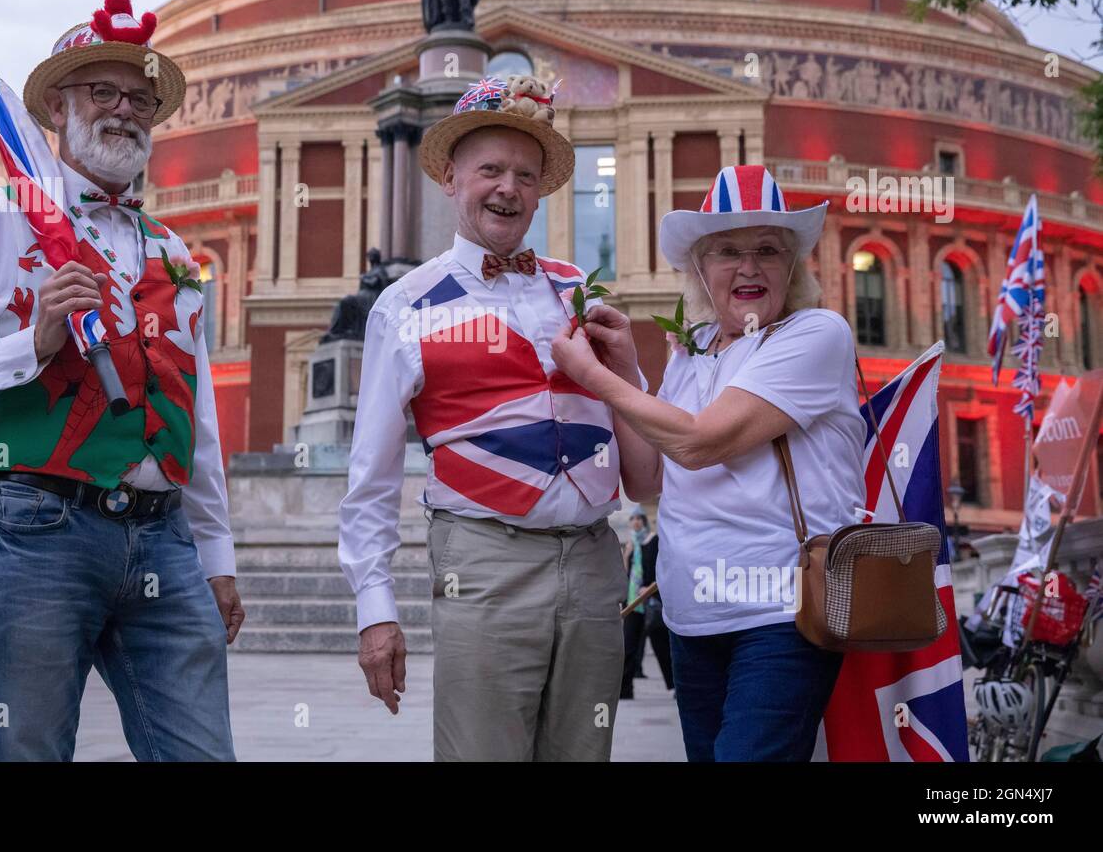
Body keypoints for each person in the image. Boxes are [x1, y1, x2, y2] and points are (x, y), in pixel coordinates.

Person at [0, 0, 242, 761]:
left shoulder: (177, 254)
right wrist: (32, 344)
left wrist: (216, 557)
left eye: (141, 98)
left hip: (164, 540)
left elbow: (200, 418)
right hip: (38, 531)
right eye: (103, 91)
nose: (124, 110)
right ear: (57, 105)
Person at [339, 74, 651, 761]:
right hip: (483, 562)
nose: (508, 188)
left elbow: (644, 470)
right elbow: (371, 475)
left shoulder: (578, 290)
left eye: (526, 174)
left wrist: (627, 370)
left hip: (596, 564)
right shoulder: (407, 304)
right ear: (452, 178)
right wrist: (375, 609)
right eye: (490, 170)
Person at [552, 165, 863, 761]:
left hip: (783, 613)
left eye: (767, 249)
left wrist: (586, 373)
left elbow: (699, 442)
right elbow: (648, 479)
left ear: (792, 265)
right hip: (693, 619)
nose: (748, 266)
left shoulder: (816, 333)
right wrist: (620, 369)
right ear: (700, 267)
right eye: (726, 251)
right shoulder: (692, 354)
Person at [620, 506, 673, 700]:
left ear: (644, 521)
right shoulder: (631, 543)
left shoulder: (653, 541)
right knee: (628, 645)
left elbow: (659, 567)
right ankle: (625, 690)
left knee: (662, 645)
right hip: (634, 602)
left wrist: (650, 586)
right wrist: (627, 555)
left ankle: (675, 686)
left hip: (651, 599)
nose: (635, 522)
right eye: (632, 519)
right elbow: (626, 574)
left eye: (638, 519)